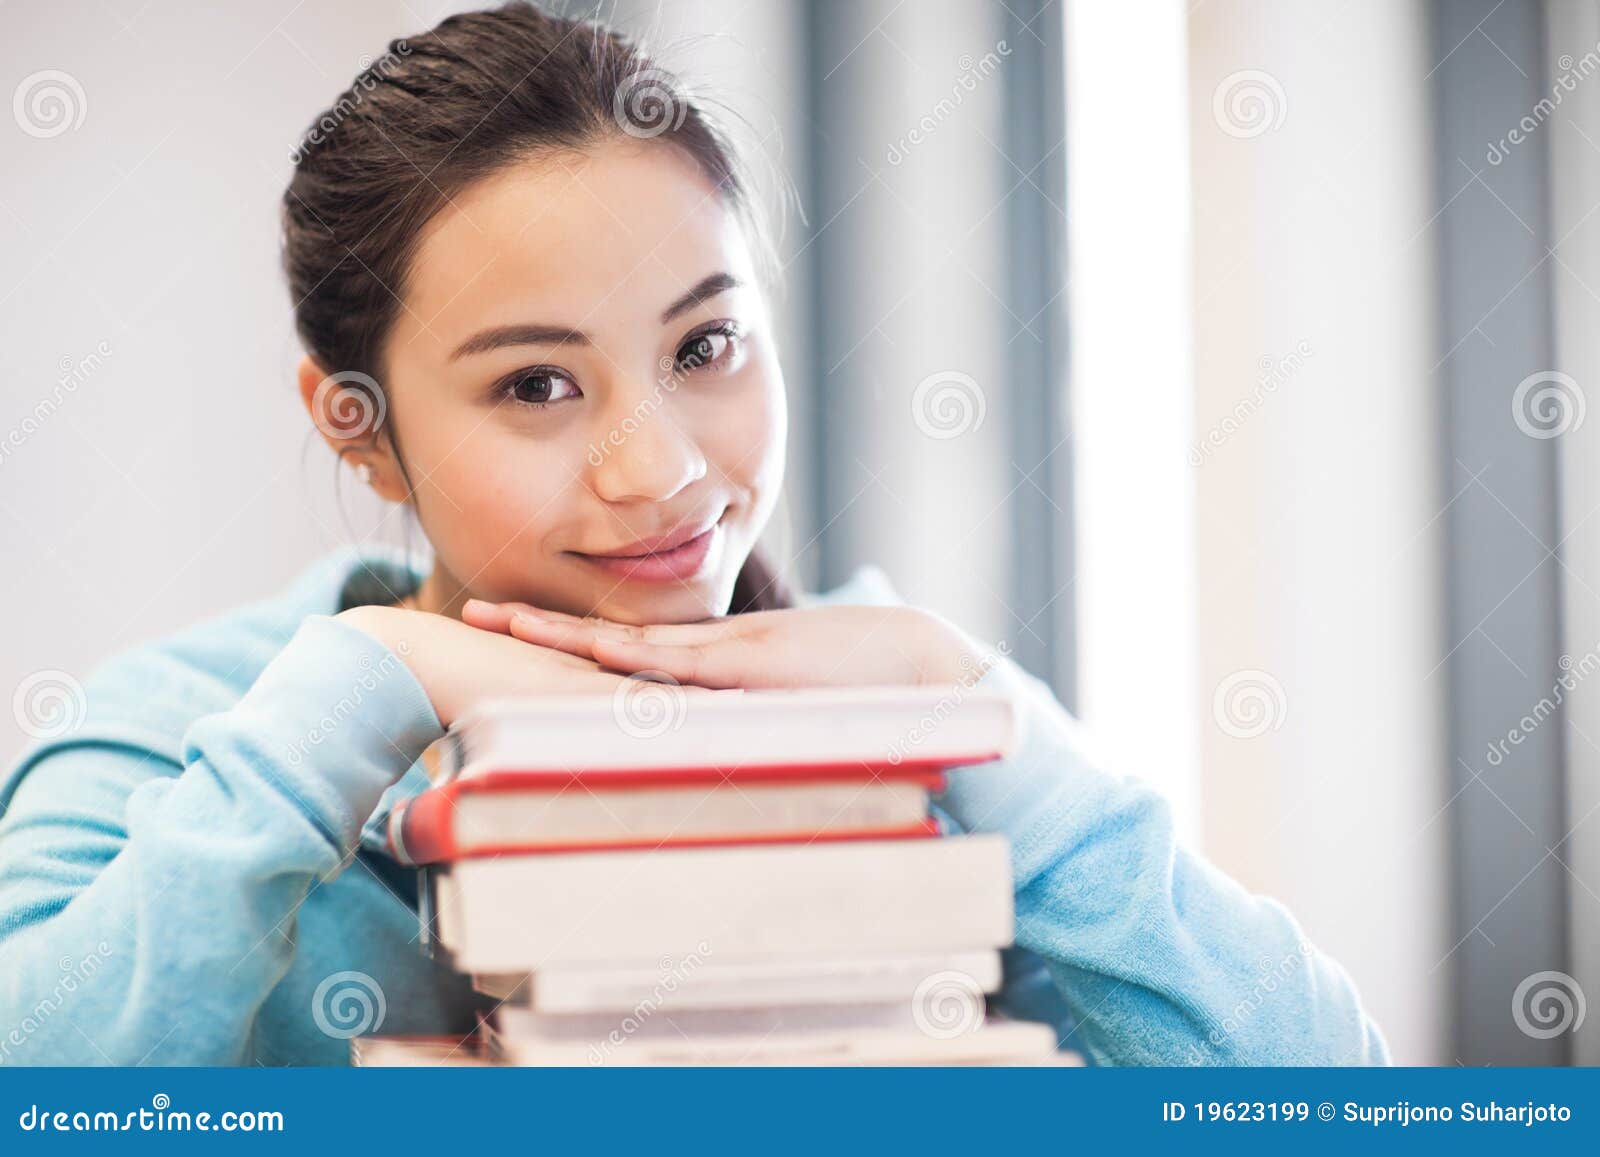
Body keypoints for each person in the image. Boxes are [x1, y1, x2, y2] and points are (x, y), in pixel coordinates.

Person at [0, 1, 1387, 1067]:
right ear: (356, 420)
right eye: (535, 384)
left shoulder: (903, 718)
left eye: (706, 343)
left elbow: (1331, 1101)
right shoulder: (174, 744)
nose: (660, 471)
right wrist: (369, 687)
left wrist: (975, 698)